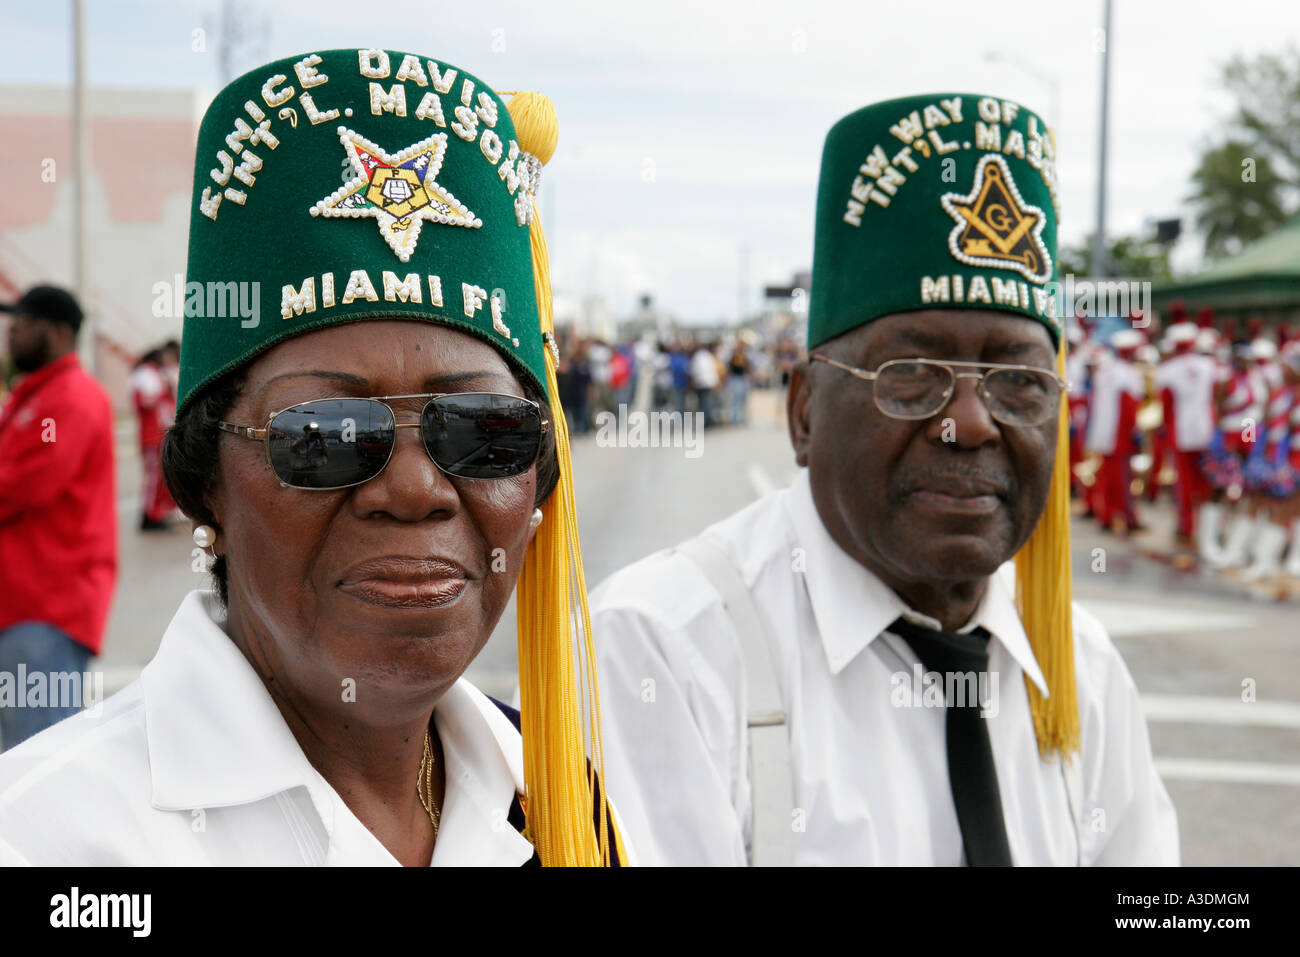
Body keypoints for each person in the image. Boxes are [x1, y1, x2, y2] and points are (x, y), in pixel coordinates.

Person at [0, 49, 624, 866]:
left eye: (482, 427)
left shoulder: (554, 802)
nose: (414, 488)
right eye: (324, 433)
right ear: (205, 488)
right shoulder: (53, 842)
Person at [590, 93, 1177, 865]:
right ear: (803, 411)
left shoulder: (1082, 669)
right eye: (912, 375)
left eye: (1020, 382)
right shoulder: (661, 652)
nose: (970, 423)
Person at [0, 286, 117, 751]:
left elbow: (27, 484)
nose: (11, 332)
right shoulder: (34, 397)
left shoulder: (70, 399)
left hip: (46, 608)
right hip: (20, 606)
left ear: (59, 332)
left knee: (39, 762)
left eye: (23, 322)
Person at [1155, 321, 1216, 543]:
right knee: (1206, 481)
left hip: (1180, 433)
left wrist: (1164, 431)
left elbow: (1167, 406)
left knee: (1185, 484)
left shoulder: (1167, 370)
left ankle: (1187, 525)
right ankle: (1208, 529)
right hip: (1206, 430)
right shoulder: (1209, 365)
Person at [1085, 330, 1145, 533]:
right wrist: (1135, 434)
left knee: (1106, 479)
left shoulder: (1104, 371)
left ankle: (1106, 515)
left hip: (1103, 434)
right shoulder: (1129, 374)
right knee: (1123, 480)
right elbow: (1130, 409)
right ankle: (1128, 519)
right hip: (1120, 435)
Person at [128, 345, 177, 530]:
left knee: (160, 478)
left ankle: (157, 513)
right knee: (153, 479)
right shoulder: (144, 374)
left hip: (159, 433)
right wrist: (164, 391)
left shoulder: (157, 373)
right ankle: (149, 517)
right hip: (150, 435)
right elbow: (144, 400)